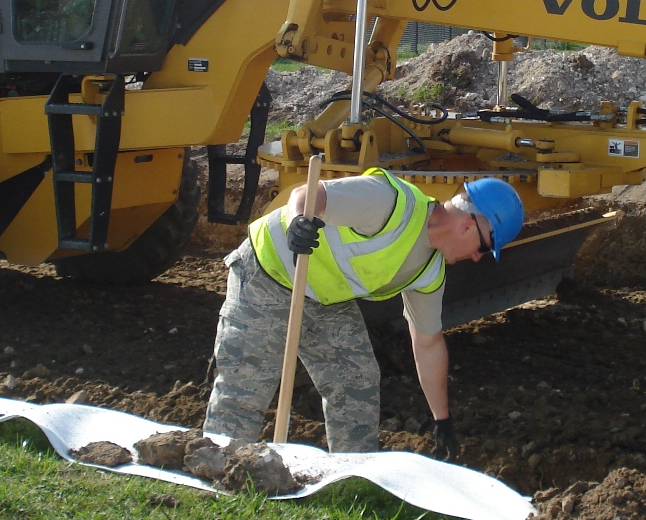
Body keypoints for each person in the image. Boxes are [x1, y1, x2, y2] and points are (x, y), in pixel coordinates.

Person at [203, 169, 525, 457]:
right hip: (270, 271)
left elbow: (427, 343)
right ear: (469, 227)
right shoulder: (390, 202)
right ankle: (216, 473)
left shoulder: (430, 272)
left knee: (356, 381)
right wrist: (300, 220)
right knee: (245, 384)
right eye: (484, 249)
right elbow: (307, 193)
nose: (477, 258)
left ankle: (352, 480)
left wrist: (443, 420)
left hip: (324, 297)